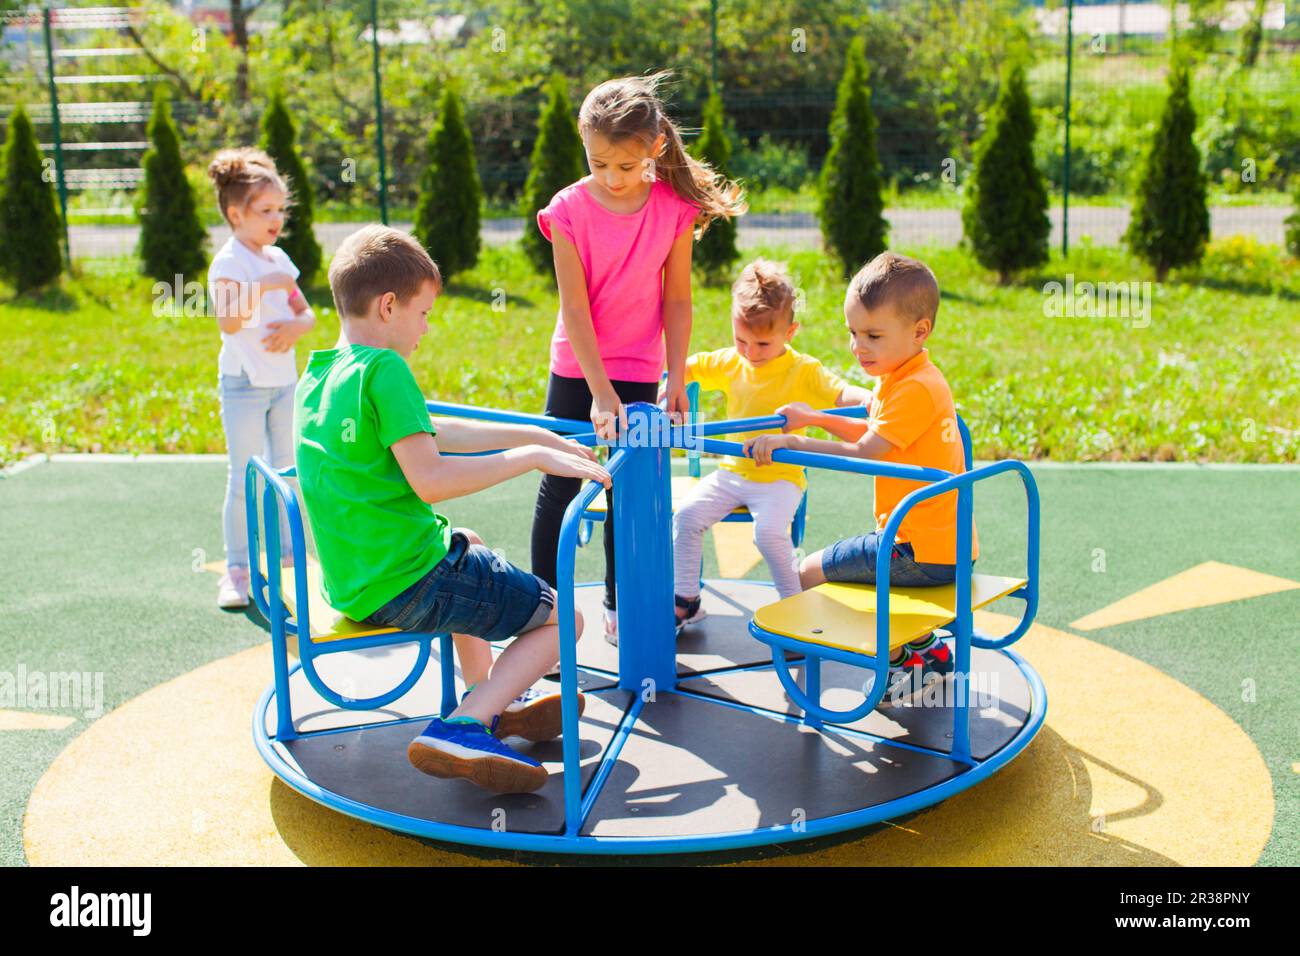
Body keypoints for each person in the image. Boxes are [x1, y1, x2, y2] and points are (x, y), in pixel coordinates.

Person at [294, 225, 609, 793]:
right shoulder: (385, 370)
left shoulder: (320, 376)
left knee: (473, 542)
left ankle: (487, 698)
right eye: (424, 312)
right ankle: (466, 723)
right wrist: (530, 458)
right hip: (412, 581)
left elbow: (432, 431)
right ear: (389, 305)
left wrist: (533, 433)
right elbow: (431, 479)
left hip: (355, 583)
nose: (427, 326)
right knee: (567, 620)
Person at [531, 71, 746, 644]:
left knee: (624, 488)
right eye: (599, 164)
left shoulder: (673, 209)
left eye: (626, 167)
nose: (612, 178)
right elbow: (574, 309)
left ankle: (617, 603)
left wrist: (677, 375)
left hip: (640, 369)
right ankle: (541, 618)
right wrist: (599, 393)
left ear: (654, 148)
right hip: (579, 366)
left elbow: (677, 297)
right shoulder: (569, 210)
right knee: (560, 482)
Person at [745, 252, 976, 706]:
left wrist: (793, 445)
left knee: (808, 572)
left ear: (919, 331)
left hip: (918, 551)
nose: (858, 347)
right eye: (853, 333)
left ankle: (899, 663)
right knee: (844, 566)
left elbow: (865, 452)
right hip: (945, 545)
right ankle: (924, 651)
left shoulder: (913, 389)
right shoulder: (906, 375)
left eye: (872, 335)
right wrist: (812, 417)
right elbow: (871, 427)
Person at [670, 259, 871, 631]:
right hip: (732, 473)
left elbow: (841, 391)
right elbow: (687, 367)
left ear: (790, 331)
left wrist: (872, 397)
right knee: (685, 518)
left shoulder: (803, 369)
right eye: (741, 339)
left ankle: (794, 609)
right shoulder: (732, 361)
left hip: (779, 479)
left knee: (768, 534)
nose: (750, 351)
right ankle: (686, 600)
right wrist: (665, 381)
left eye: (762, 342)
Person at [207, 147, 316, 609]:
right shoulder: (229, 263)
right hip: (244, 386)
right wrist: (264, 286)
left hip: (283, 383)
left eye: (280, 210)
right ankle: (237, 569)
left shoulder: (278, 257)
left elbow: (305, 312)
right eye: (265, 211)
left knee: (288, 471)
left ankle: (289, 559)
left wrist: (297, 325)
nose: (277, 219)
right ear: (236, 213)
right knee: (244, 477)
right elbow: (229, 322)